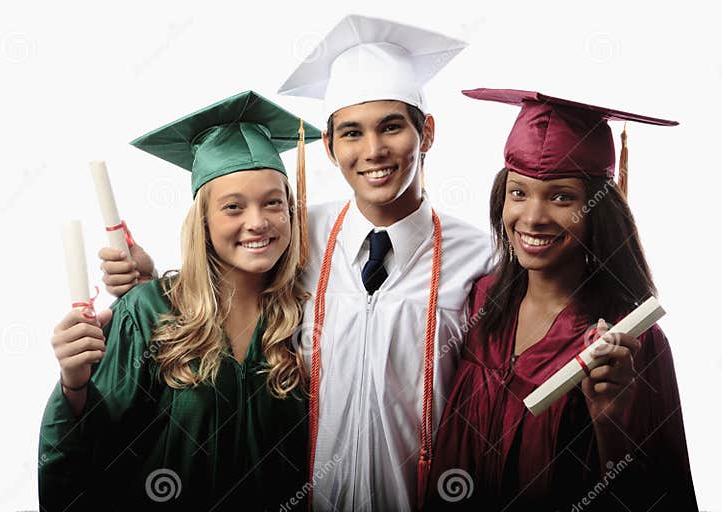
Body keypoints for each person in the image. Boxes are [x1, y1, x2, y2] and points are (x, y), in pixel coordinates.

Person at [101, 15, 493, 511]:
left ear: (427, 133)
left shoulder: (482, 258)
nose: (373, 151)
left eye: (392, 126)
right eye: (351, 133)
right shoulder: (296, 235)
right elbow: (224, 272)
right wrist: (151, 285)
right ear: (329, 146)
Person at [39, 91, 322, 511]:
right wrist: (73, 383)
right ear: (202, 222)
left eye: (273, 203)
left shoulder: (309, 314)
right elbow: (92, 449)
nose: (257, 221)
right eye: (233, 207)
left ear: (292, 212)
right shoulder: (147, 312)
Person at [426, 89, 698, 510]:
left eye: (561, 197)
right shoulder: (476, 302)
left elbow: (658, 495)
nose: (533, 218)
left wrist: (611, 423)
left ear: (596, 210)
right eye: (518, 192)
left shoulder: (630, 342)